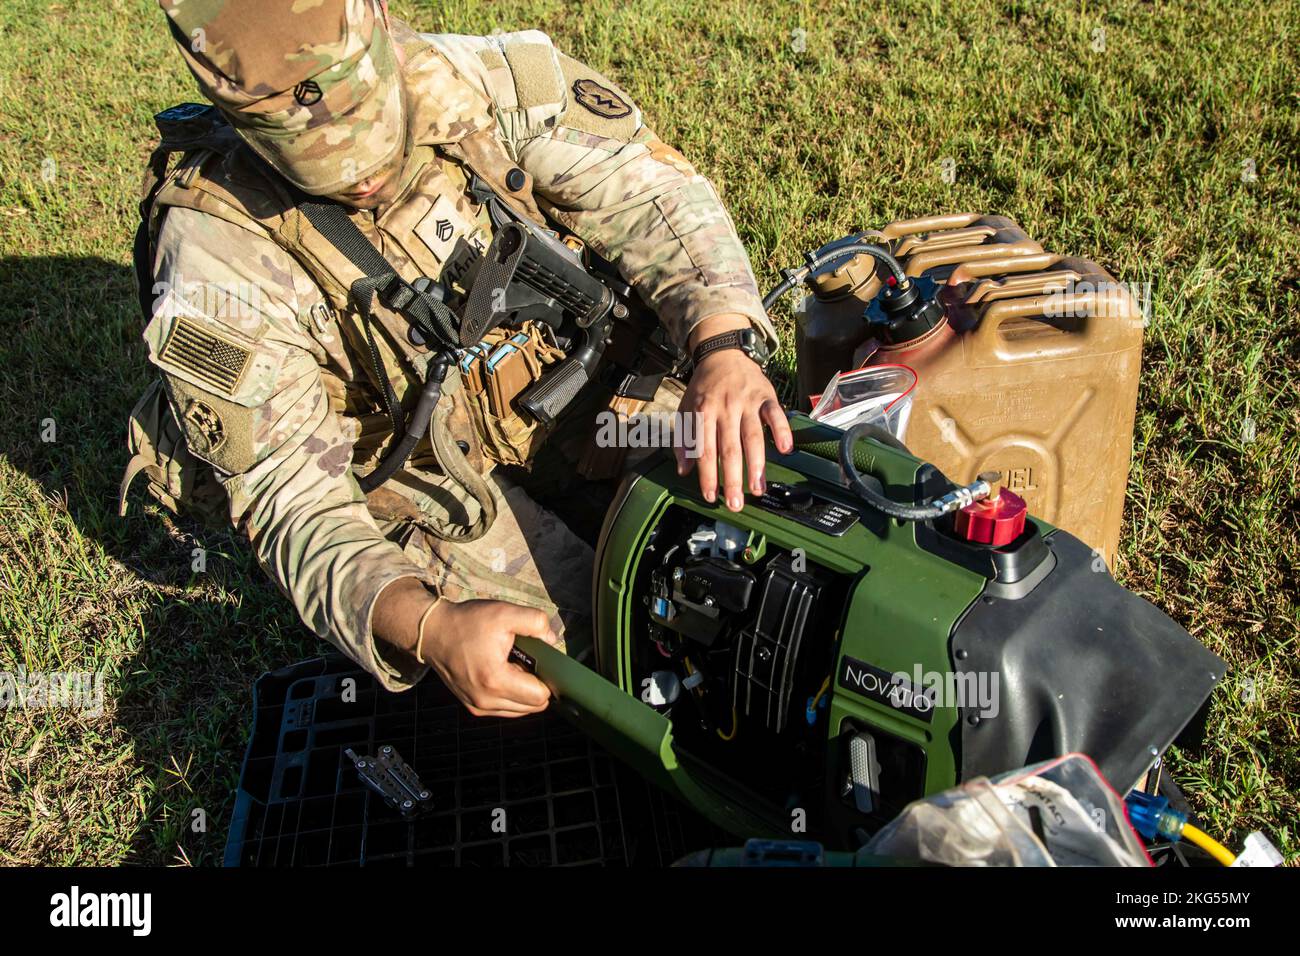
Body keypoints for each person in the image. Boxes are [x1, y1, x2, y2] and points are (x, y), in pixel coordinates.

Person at [126, 0, 792, 718]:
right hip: (417, 482)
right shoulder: (213, 255)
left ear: (381, 23)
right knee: (602, 664)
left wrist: (723, 345)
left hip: (565, 387)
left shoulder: (478, 81)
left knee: (762, 514)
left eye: (370, 129)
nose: (364, 182)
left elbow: (649, 194)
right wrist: (426, 624)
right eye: (321, 164)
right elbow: (294, 502)